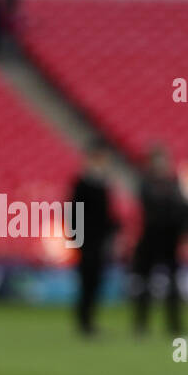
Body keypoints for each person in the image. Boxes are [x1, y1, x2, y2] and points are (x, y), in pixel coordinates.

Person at [130, 143, 188, 337]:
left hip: (170, 239)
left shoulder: (173, 184)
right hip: (151, 238)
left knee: (172, 284)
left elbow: (182, 210)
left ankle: (173, 324)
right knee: (145, 283)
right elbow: (152, 208)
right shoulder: (148, 184)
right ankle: (141, 324)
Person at [70, 138, 119, 337]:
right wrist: (77, 239)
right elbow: (73, 213)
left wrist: (113, 231)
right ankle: (84, 321)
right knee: (86, 282)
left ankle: (89, 321)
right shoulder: (82, 183)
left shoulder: (102, 184)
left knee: (95, 282)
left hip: (100, 241)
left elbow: (107, 215)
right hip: (86, 241)